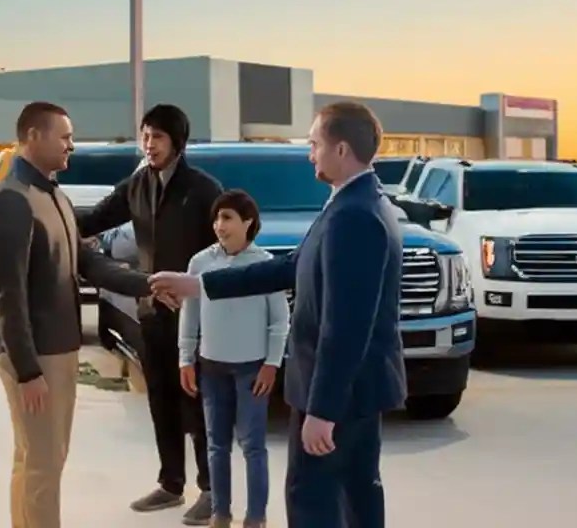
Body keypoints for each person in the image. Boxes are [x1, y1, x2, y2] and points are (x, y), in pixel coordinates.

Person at [150, 101, 406, 528]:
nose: (310, 153)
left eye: (314, 144)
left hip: (338, 398)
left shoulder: (355, 216)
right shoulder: (352, 203)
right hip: (352, 392)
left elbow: (346, 326)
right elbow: (291, 268)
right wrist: (201, 284)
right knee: (355, 494)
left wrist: (323, 411)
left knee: (314, 500)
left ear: (341, 150)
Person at [0, 101, 151, 528]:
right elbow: (6, 292)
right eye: (65, 136)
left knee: (36, 459)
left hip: (57, 348)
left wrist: (149, 284)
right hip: (37, 355)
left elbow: (87, 263)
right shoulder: (11, 202)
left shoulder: (52, 194)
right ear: (33, 136)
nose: (71, 145)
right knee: (44, 463)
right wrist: (26, 369)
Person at [76, 104, 223, 523]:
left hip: (194, 315)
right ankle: (171, 484)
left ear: (178, 142)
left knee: (196, 403)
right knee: (160, 398)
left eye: (157, 136)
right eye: (145, 136)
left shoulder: (203, 189)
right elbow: (96, 218)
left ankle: (211, 489)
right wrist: (51, 216)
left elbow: (228, 242)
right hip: (152, 311)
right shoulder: (137, 185)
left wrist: (201, 288)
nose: (149, 144)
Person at [178, 189, 289, 528]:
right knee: (216, 444)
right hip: (211, 368)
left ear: (248, 222)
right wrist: (185, 358)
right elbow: (190, 313)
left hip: (251, 369)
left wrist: (272, 364)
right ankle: (220, 513)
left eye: (227, 218)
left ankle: (256, 517)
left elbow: (279, 320)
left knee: (253, 445)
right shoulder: (200, 263)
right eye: (216, 218)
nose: (219, 225)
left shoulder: (265, 265)